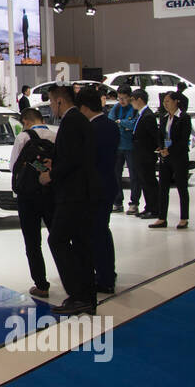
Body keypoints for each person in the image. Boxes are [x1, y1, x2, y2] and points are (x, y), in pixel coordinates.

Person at [38, 85, 98, 316]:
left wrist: (50, 174)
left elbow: (73, 159)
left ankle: (77, 295)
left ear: (60, 102)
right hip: (82, 193)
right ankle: (86, 297)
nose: (51, 108)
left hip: (73, 195)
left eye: (52, 103)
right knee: (81, 244)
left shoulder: (72, 121)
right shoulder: (79, 121)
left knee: (58, 240)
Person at [10, 107, 56, 298]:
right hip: (52, 192)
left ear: (26, 122)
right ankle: (72, 279)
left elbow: (13, 165)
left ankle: (41, 284)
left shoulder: (23, 138)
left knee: (32, 241)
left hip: (28, 196)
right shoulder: (55, 135)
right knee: (59, 237)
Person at [81, 88, 119, 294]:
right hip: (107, 186)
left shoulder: (92, 129)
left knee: (97, 234)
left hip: (95, 189)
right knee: (102, 232)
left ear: (85, 108)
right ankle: (106, 274)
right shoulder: (111, 126)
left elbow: (88, 161)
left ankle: (104, 278)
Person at [150, 91, 192, 229]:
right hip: (165, 157)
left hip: (178, 157)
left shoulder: (184, 118)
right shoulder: (164, 118)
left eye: (168, 101)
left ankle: (184, 218)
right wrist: (161, 148)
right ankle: (162, 217)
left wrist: (170, 150)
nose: (165, 103)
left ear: (176, 101)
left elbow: (183, 139)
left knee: (181, 187)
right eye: (164, 101)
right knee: (163, 188)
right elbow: (161, 135)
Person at [129, 90, 160, 218]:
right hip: (140, 155)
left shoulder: (148, 116)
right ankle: (149, 207)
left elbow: (154, 136)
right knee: (144, 182)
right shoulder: (142, 114)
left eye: (132, 100)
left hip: (146, 155)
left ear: (139, 100)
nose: (131, 103)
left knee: (149, 182)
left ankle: (154, 209)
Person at [107, 85, 137, 214]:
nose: (122, 101)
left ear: (130, 97)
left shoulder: (135, 108)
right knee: (115, 175)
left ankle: (134, 203)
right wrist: (124, 124)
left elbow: (134, 124)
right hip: (118, 146)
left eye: (124, 98)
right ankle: (117, 202)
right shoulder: (117, 107)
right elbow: (110, 121)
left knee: (134, 176)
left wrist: (121, 123)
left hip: (131, 147)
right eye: (119, 98)